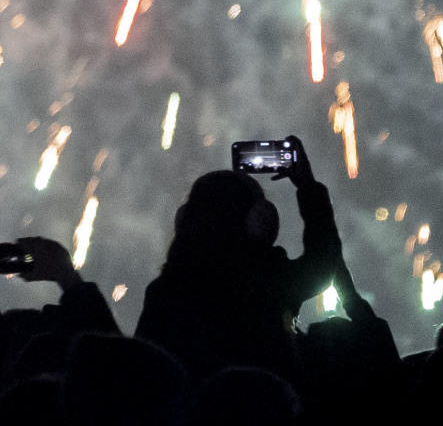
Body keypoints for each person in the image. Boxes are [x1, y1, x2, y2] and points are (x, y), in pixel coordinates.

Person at [134, 136, 358, 385]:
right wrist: (307, 186)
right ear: (260, 221)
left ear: (185, 220)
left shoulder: (163, 291)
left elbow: (144, 369)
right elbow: (323, 261)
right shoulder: (269, 280)